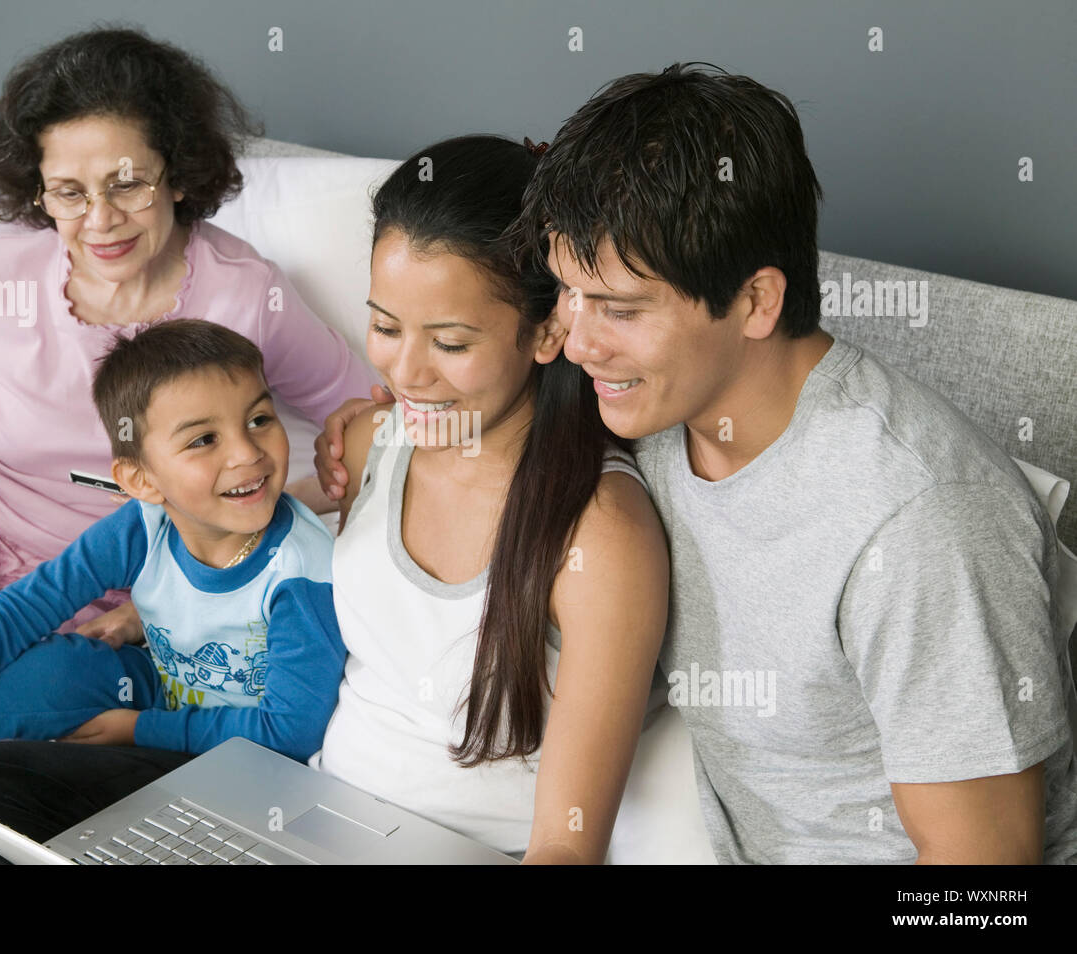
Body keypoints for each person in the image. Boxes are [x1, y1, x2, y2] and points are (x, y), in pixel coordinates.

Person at [317, 64, 1077, 864]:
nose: (575, 345)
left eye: (619, 309)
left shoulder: (920, 525)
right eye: (571, 296)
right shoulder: (651, 415)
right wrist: (371, 422)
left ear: (756, 302)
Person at [0, 134, 670, 865]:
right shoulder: (377, 439)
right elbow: (268, 533)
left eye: (451, 342)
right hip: (292, 808)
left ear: (546, 332)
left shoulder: (600, 532)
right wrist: (161, 591)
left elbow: (567, 847)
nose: (408, 372)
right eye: (384, 326)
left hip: (449, 852)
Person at [0, 27, 371, 712]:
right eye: (69, 193)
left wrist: (227, 544)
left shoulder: (244, 293)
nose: (101, 220)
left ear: (176, 173)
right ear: (40, 193)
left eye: (128, 185)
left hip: (90, 570)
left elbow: (358, 416)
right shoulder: (0, 268)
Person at [0, 320, 345, 864]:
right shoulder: (145, 523)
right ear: (142, 482)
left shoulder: (299, 573)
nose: (247, 453)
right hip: (158, 690)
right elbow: (19, 610)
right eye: (204, 439)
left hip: (228, 760)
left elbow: (288, 733)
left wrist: (137, 729)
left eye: (260, 419)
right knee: (51, 666)